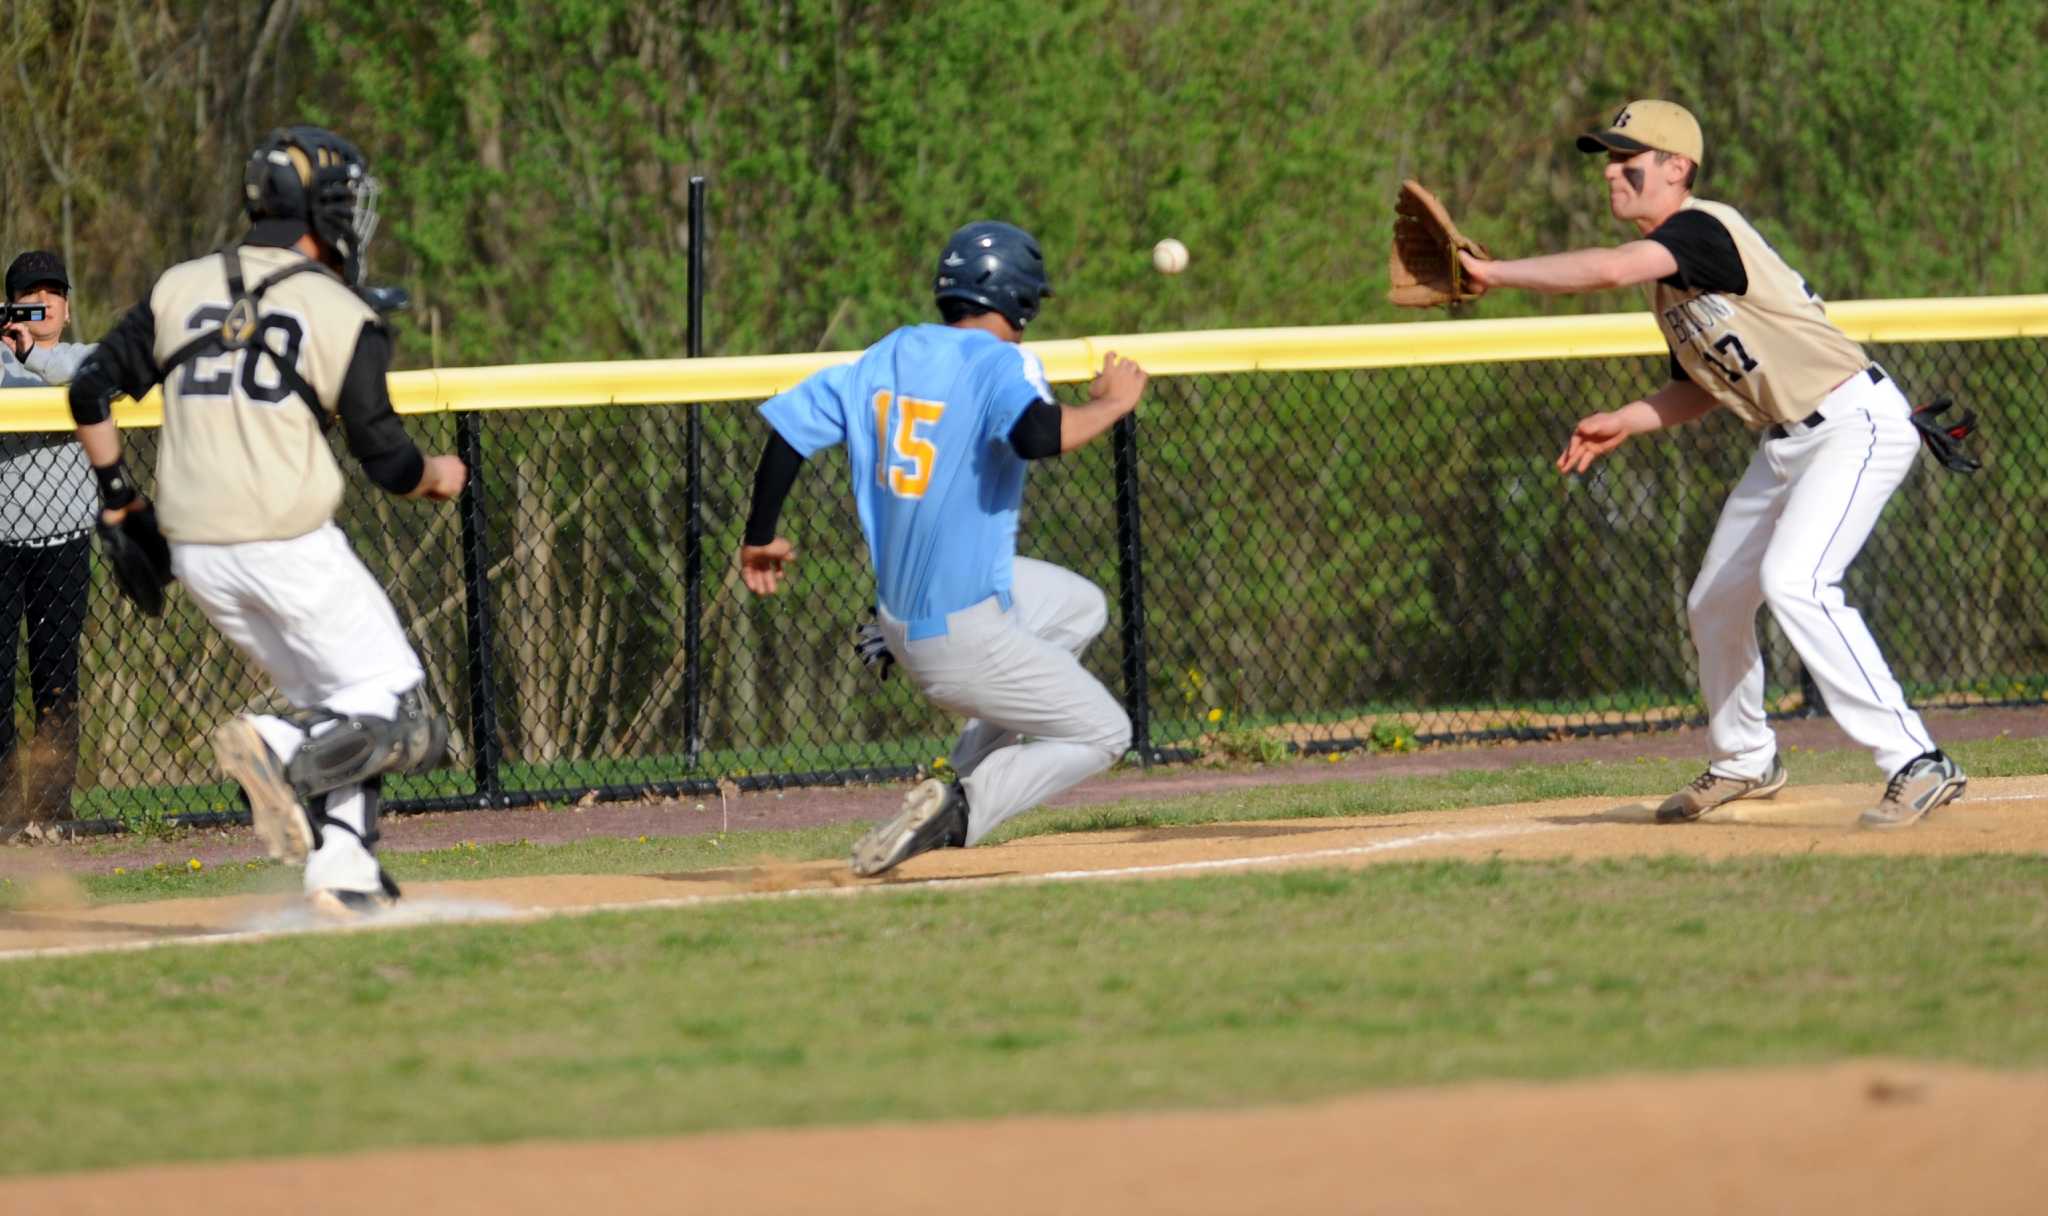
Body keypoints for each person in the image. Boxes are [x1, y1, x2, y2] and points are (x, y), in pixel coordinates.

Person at [1459, 99, 1965, 830]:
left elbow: (1603, 269)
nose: (1611, 174)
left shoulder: (1701, 228)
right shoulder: (1670, 280)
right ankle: (1746, 759)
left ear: (1677, 168)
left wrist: (1492, 273)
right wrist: (1627, 421)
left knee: (1796, 582)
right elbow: (1698, 387)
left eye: (1628, 160)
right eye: (1608, 159)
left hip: (1855, 424)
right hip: (1789, 442)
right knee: (1715, 603)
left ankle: (1918, 761)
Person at [67, 125, 467, 913]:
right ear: (322, 211)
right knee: (406, 715)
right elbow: (383, 455)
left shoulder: (180, 285)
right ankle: (278, 749)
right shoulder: (336, 306)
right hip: (286, 542)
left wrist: (119, 497)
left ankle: (344, 872)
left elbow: (89, 387)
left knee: (341, 697)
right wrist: (436, 477)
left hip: (199, 554)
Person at [739, 220, 1146, 875]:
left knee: (1078, 606)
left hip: (904, 621)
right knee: (1106, 732)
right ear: (1019, 301)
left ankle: (956, 775)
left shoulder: (885, 355)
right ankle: (962, 809)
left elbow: (787, 432)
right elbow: (1039, 435)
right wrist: (1110, 406)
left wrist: (758, 537)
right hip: (963, 633)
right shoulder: (1003, 360)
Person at [0, 251, 97, 832]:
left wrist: (34, 354)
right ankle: (6, 809)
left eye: (50, 297)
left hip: (64, 540)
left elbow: (90, 374)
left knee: (56, 672)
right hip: (1, 540)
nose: (41, 309)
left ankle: (52, 810)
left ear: (66, 305)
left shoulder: (84, 357)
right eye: (27, 299)